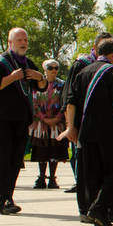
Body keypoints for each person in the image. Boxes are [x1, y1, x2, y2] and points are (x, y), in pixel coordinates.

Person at [64, 38, 113, 226]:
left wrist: (71, 127)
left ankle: (93, 211)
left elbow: (71, 103)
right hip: (108, 131)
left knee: (91, 174)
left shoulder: (82, 72)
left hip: (86, 131)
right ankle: (99, 208)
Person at [0, 28, 44, 214]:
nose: (23, 42)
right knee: (2, 160)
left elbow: (41, 87)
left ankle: (8, 197)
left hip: (20, 119)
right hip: (0, 119)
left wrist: (40, 78)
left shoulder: (28, 63)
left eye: (25, 39)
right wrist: (13, 77)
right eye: (19, 39)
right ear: (10, 42)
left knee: (15, 160)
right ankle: (0, 201)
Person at [29, 60, 69, 188]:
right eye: (50, 68)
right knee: (41, 151)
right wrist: (43, 118)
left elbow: (65, 102)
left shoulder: (62, 85)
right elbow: (33, 102)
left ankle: (52, 178)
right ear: (44, 69)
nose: (54, 70)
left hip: (57, 124)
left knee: (55, 150)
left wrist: (57, 118)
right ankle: (41, 177)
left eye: (56, 68)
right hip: (40, 124)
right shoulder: (37, 83)